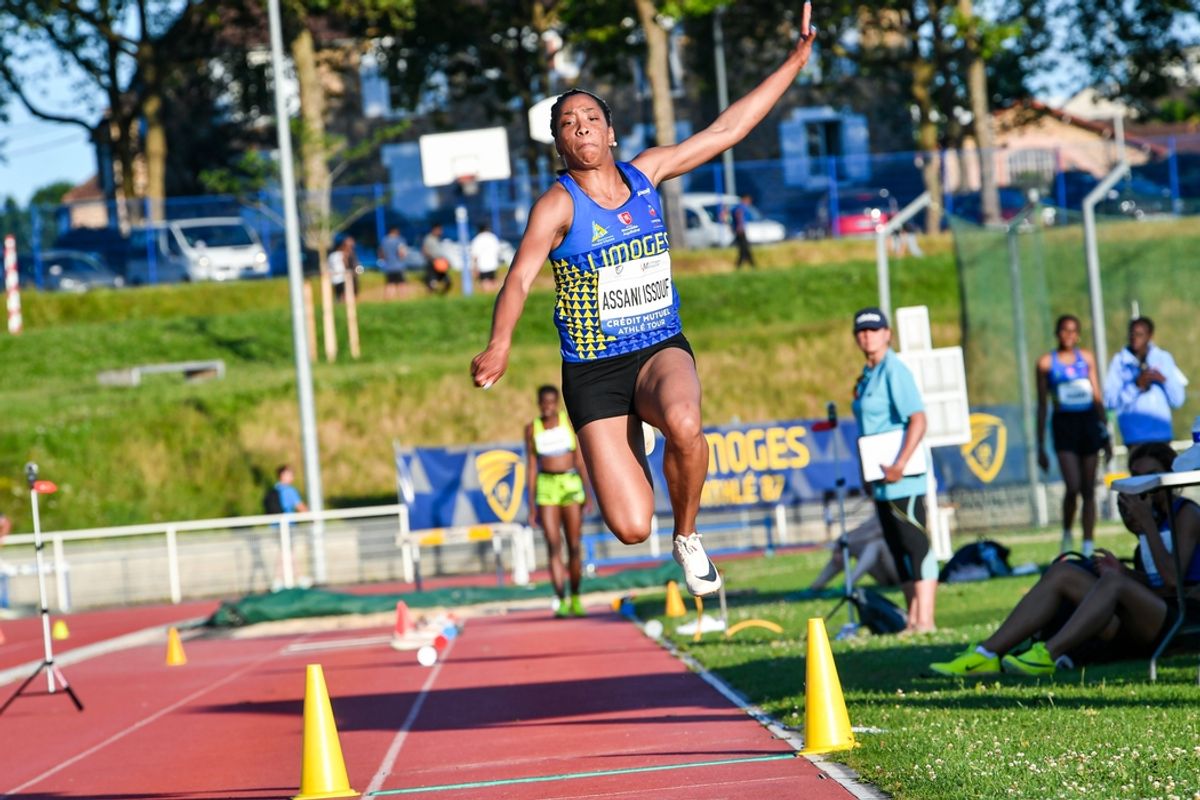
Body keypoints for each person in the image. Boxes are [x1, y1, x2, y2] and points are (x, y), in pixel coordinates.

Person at [471, 23, 818, 597]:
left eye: (589, 118)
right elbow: (518, 279)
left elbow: (729, 128)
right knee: (631, 528)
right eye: (567, 123)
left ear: (610, 133)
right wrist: (501, 342)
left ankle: (687, 537)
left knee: (685, 423)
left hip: (659, 346)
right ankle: (635, 424)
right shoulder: (557, 206)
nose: (579, 126)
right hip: (595, 369)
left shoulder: (646, 174)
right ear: (559, 144)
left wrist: (796, 60)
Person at [930, 442, 1200, 676]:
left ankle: (1049, 654)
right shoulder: (1152, 522)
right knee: (1065, 572)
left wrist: (1146, 530)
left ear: (1169, 476)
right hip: (1149, 614)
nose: (1144, 485)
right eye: (1137, 477)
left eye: (1152, 476)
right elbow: (1154, 584)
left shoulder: (1186, 514)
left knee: (1114, 583)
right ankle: (985, 654)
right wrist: (1121, 570)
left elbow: (1173, 582)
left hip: (1182, 618)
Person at [850, 307, 934, 632]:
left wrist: (900, 463)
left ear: (887, 333)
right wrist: (865, 472)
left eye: (873, 329)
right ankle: (912, 617)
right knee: (897, 547)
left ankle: (925, 618)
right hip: (880, 477)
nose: (867, 335)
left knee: (916, 545)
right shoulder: (868, 374)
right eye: (861, 330)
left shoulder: (894, 370)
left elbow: (918, 418)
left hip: (904, 476)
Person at [1036, 314, 1111, 557]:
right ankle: (1067, 533)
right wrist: (1040, 446)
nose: (1068, 335)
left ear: (1078, 334)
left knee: (1088, 489)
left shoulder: (1086, 359)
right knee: (1073, 486)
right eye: (1064, 330)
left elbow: (1097, 396)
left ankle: (1088, 544)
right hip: (1064, 426)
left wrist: (1106, 433)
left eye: (1073, 331)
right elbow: (1042, 405)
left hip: (1088, 424)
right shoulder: (1047, 363)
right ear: (1057, 333)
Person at [525, 385, 594, 617]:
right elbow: (532, 465)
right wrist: (531, 503)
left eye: (551, 402)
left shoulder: (568, 423)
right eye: (543, 403)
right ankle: (560, 599)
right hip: (546, 487)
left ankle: (575, 595)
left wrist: (587, 492)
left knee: (574, 546)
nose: (547, 407)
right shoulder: (532, 429)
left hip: (570, 484)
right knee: (554, 546)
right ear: (538, 403)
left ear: (557, 403)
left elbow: (580, 459)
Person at [1103, 316, 1187, 451]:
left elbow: (1178, 400)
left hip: (1162, 436)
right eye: (1132, 334)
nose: (1135, 338)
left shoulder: (1163, 358)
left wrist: (1164, 381)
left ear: (1150, 336)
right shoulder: (1119, 362)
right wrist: (1135, 386)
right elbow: (1110, 401)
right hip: (1135, 438)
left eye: (1140, 335)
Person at [807, 515, 901, 593]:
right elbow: (859, 531)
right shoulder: (879, 514)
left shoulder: (897, 514)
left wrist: (842, 543)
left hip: (902, 576)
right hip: (886, 576)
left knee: (878, 544)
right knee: (849, 547)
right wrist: (839, 545)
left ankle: (847, 584)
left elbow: (877, 531)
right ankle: (816, 585)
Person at [470, 222, 503, 291]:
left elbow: (475, 255)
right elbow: (498, 251)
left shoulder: (477, 239)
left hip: (483, 265)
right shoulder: (493, 237)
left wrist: (474, 267)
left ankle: (490, 295)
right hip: (493, 263)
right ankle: (497, 293)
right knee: (493, 281)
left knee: (485, 282)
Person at [379, 226, 409, 299]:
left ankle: (387, 301)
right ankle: (403, 300)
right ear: (396, 231)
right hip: (399, 266)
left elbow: (381, 254)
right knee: (401, 284)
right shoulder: (399, 240)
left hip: (388, 266)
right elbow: (402, 253)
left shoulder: (384, 240)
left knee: (390, 284)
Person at [328, 237, 360, 302]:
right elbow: (347, 265)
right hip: (344, 277)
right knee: (347, 294)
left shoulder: (332, 255)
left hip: (335, 278)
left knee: (339, 295)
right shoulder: (343, 254)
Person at [422, 223, 451, 294]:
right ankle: (430, 297)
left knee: (447, 281)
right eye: (439, 230)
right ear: (434, 230)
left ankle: (441, 295)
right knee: (432, 282)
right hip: (432, 263)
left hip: (440, 262)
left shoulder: (438, 239)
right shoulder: (428, 239)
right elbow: (424, 250)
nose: (441, 232)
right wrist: (432, 259)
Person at [731, 193, 755, 269]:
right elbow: (739, 214)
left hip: (738, 230)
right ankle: (751, 265)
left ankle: (749, 265)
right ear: (745, 199)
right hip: (740, 230)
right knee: (744, 248)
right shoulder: (742, 206)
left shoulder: (736, 206)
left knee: (744, 249)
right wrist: (740, 226)